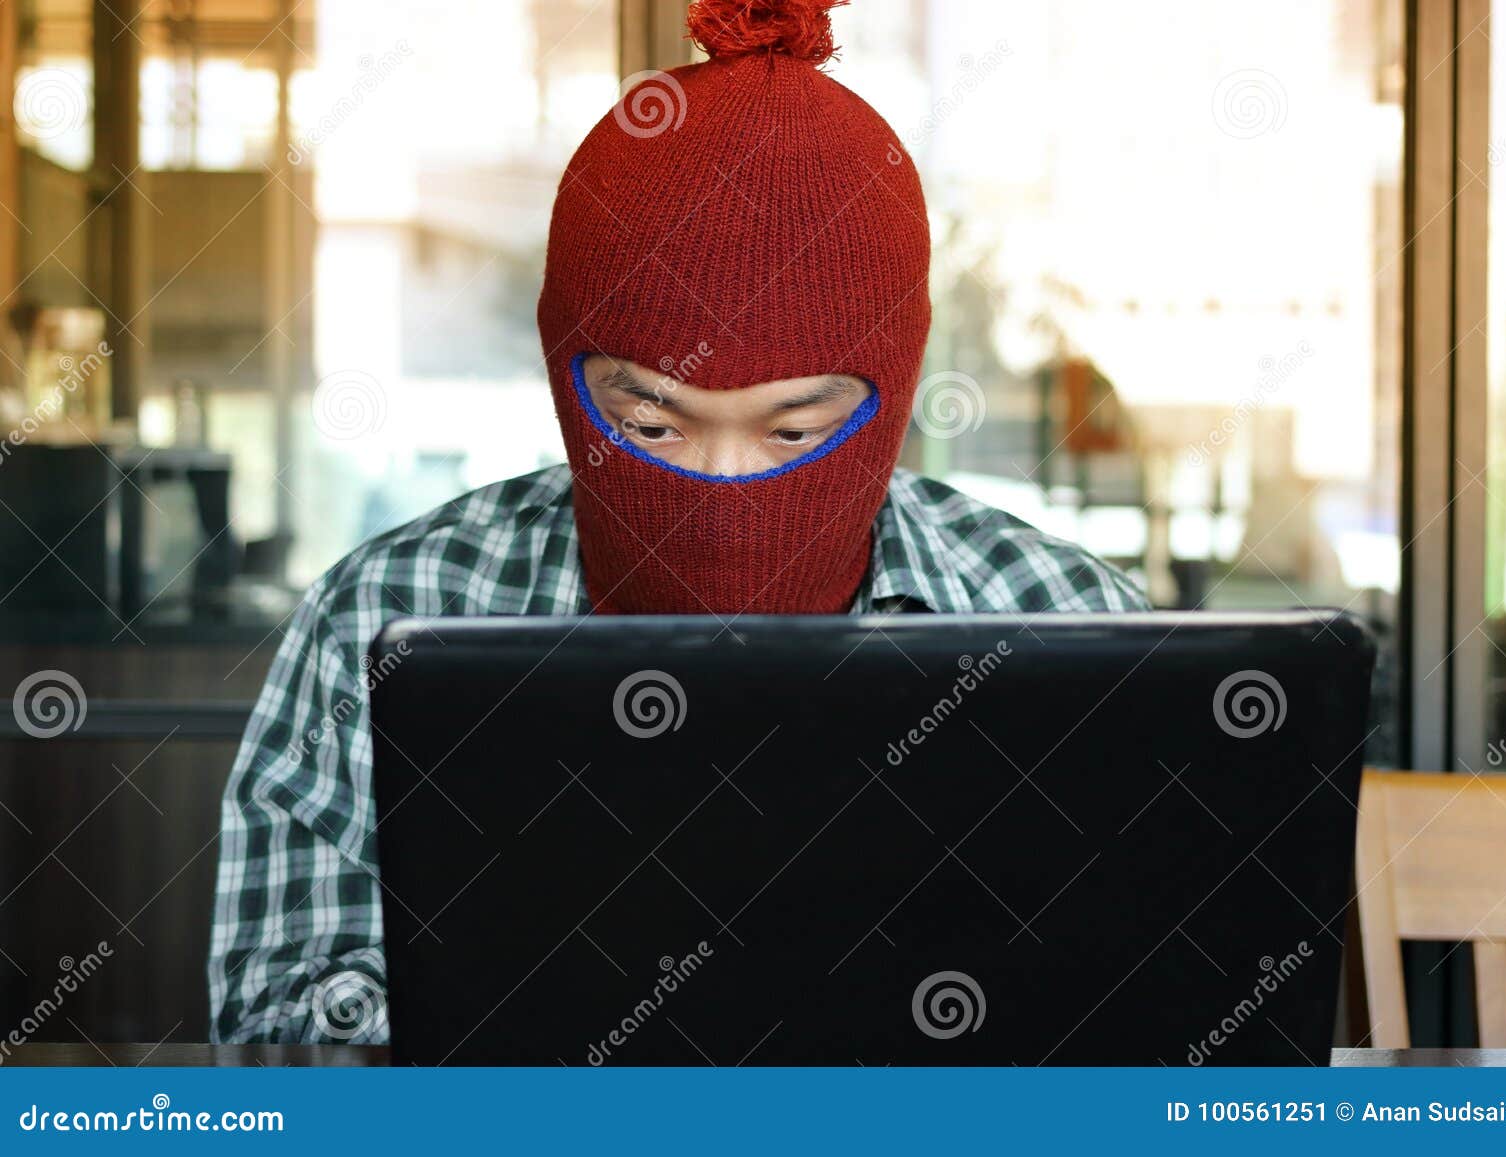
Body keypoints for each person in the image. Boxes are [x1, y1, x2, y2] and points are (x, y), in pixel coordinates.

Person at [208, 0, 1147, 1044]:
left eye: (794, 432)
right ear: (569, 376)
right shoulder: (388, 615)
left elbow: (1162, 1021)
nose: (721, 484)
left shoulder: (1071, 625)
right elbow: (283, 1026)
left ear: (892, 392)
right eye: (652, 423)